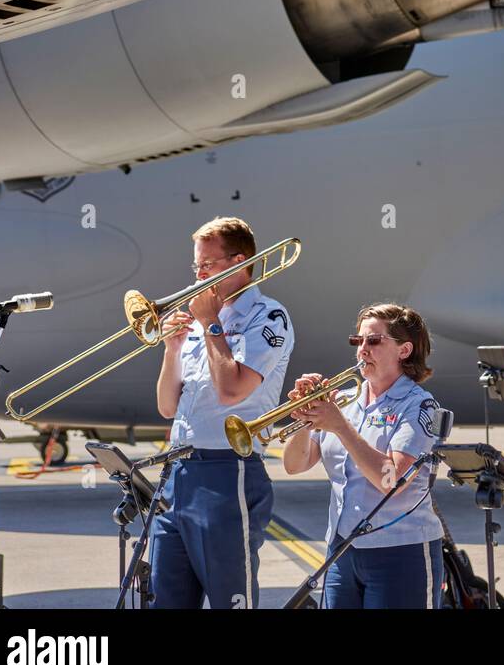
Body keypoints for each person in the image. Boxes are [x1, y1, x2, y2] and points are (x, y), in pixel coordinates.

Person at [149, 216, 294, 609]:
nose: (198, 275)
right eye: (196, 265)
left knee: (230, 598)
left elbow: (232, 390)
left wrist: (211, 322)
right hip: (178, 473)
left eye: (207, 265)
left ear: (239, 261)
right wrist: (172, 348)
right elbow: (167, 406)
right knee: (166, 599)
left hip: (228, 470)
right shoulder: (199, 324)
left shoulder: (267, 316)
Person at [283, 302, 444, 609]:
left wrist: (340, 426)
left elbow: (392, 481)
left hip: (399, 550)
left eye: (374, 341)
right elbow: (294, 464)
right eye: (358, 341)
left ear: (404, 350)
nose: (362, 350)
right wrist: (303, 418)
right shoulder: (344, 400)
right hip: (343, 548)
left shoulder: (420, 406)